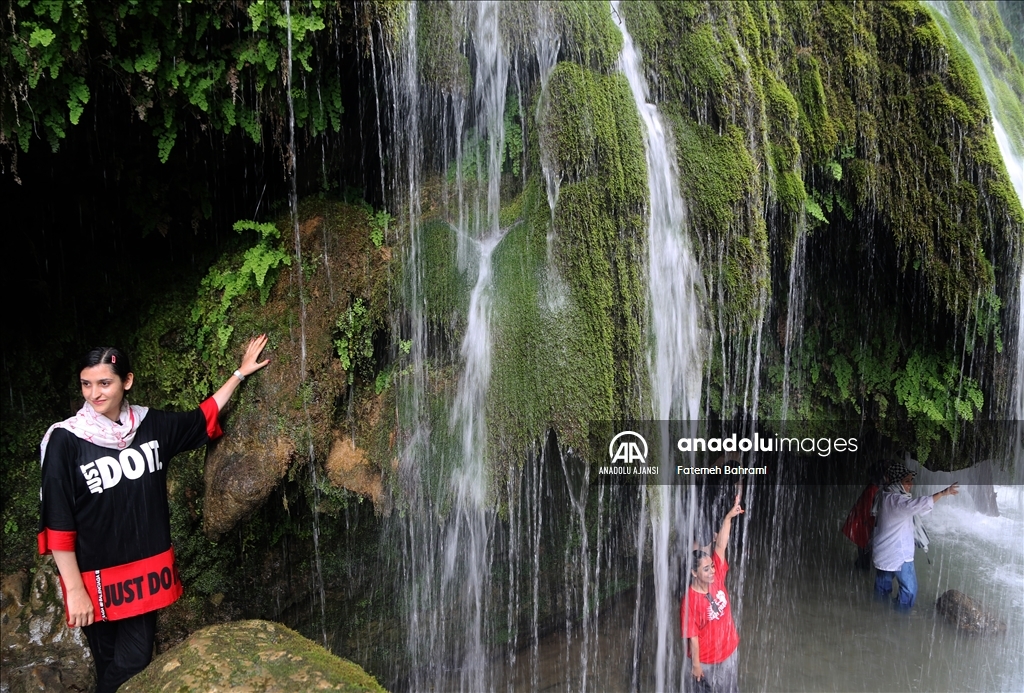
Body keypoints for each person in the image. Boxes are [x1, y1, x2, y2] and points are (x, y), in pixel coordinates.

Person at [38, 336, 270, 692]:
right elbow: (58, 521)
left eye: (104, 383)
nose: (94, 393)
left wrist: (239, 373)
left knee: (133, 661)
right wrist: (74, 589)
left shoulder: (150, 425)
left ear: (126, 381)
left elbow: (201, 418)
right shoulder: (65, 440)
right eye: (87, 384)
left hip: (142, 575)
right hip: (93, 579)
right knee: (109, 661)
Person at [872, 461, 958, 610]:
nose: (910, 484)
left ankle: (877, 614)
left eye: (911, 480)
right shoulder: (897, 500)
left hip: (883, 550)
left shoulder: (884, 495)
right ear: (896, 482)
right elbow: (918, 504)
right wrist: (944, 493)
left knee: (882, 587)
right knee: (909, 590)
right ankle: (900, 619)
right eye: (906, 481)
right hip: (898, 553)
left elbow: (915, 507)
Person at [682, 492, 744, 693]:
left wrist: (728, 517)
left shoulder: (717, 575)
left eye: (712, 567)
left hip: (728, 651)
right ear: (694, 573)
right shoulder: (690, 600)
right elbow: (692, 636)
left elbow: (721, 544)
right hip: (707, 661)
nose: (712, 572)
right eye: (706, 569)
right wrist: (696, 665)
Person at [841, 460, 888, 569]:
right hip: (863, 525)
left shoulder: (874, 487)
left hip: (862, 524)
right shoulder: (873, 489)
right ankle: (860, 573)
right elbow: (868, 511)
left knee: (865, 553)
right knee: (865, 555)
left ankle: (858, 573)